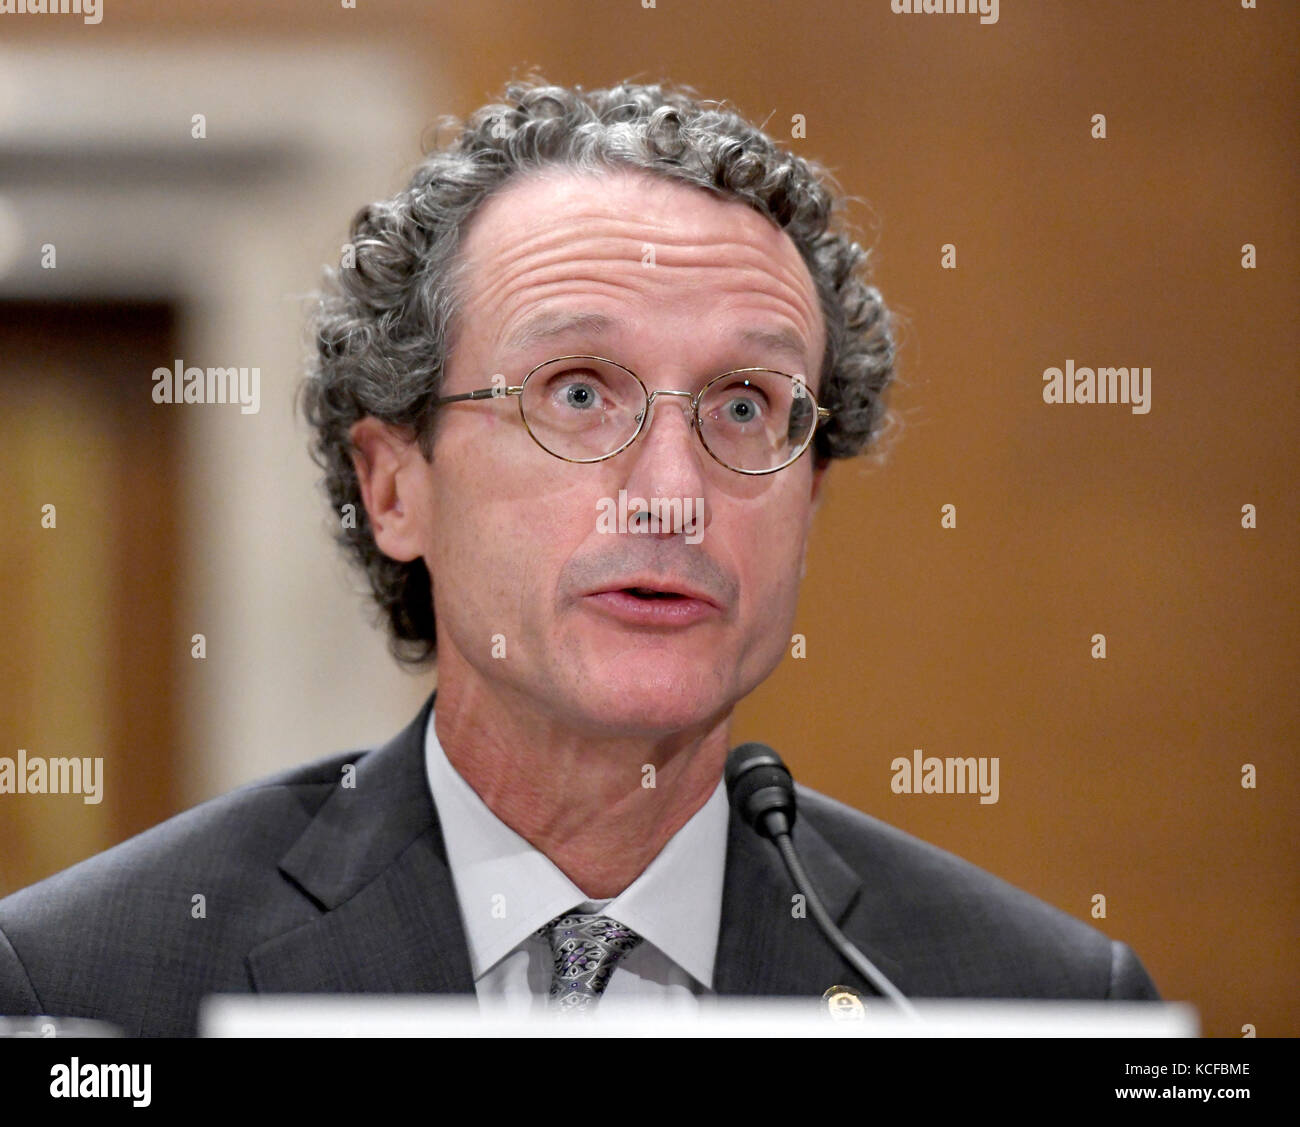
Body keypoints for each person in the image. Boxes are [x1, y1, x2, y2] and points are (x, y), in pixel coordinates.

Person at [0, 78, 1159, 1036]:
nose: (671, 497)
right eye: (578, 392)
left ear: (812, 490)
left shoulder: (1022, 999)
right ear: (394, 483)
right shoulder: (90, 990)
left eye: (746, 407)